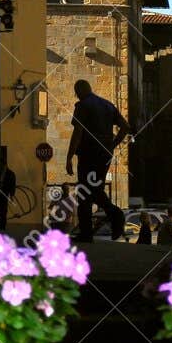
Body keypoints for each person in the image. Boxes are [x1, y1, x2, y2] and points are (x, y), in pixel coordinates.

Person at [65, 78, 129, 242]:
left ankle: (109, 218)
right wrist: (113, 144)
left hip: (88, 153)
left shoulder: (83, 106)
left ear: (79, 91)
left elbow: (77, 132)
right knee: (95, 189)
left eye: (76, 92)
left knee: (85, 191)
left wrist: (69, 156)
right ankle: (109, 218)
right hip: (104, 154)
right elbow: (125, 127)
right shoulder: (107, 105)